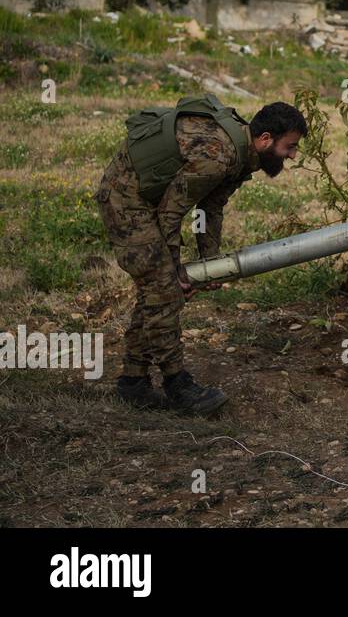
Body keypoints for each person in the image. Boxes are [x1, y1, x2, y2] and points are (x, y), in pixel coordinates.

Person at [96, 95, 306, 415]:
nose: (292, 155)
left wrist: (211, 264)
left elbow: (211, 207)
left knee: (158, 293)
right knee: (164, 291)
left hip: (151, 199)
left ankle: (133, 382)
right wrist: (176, 268)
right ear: (266, 139)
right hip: (128, 201)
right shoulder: (218, 157)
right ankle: (177, 385)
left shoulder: (241, 155)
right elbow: (171, 212)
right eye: (289, 147)